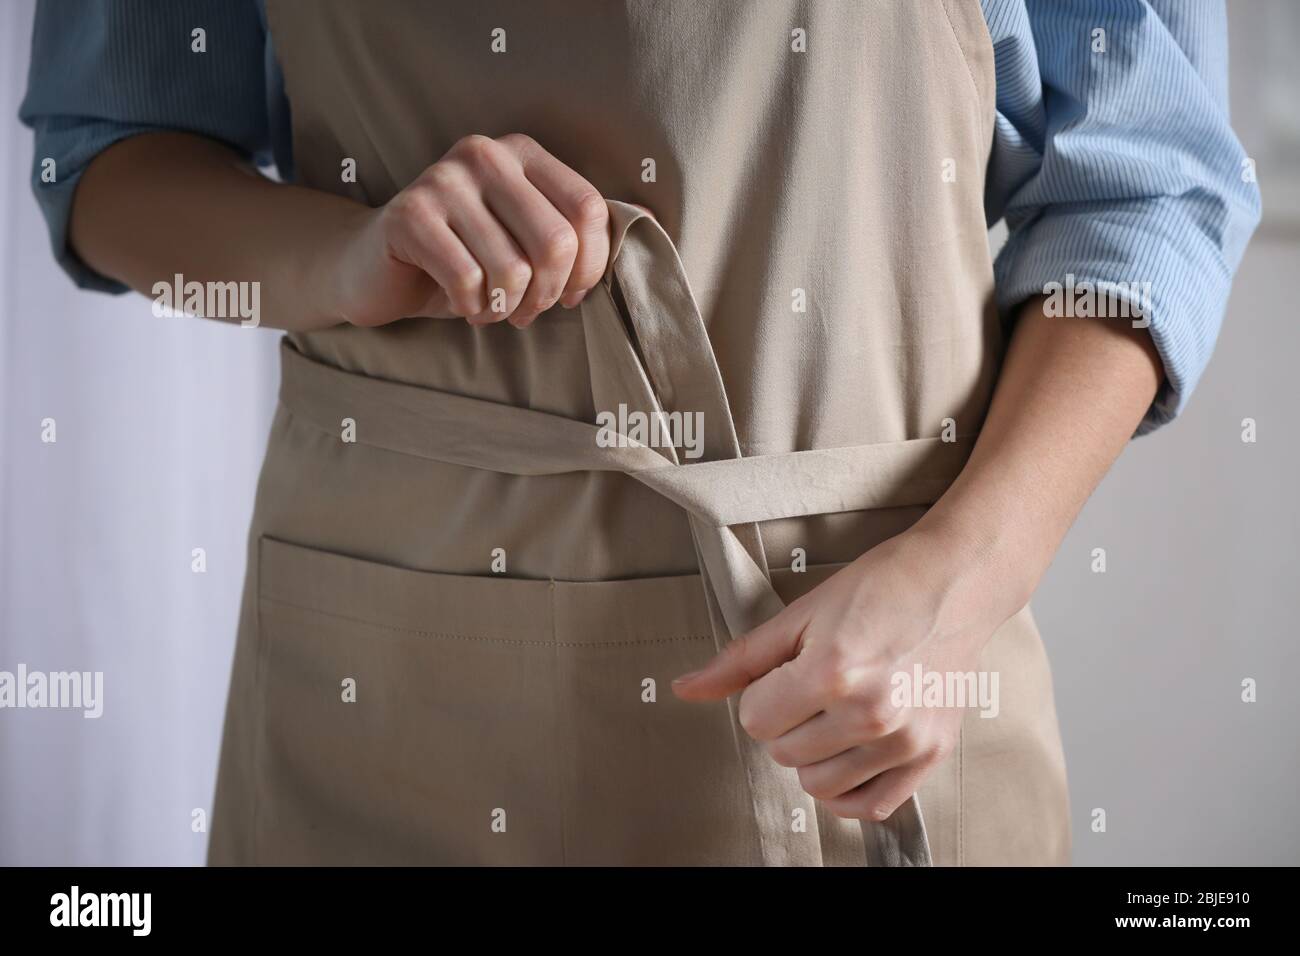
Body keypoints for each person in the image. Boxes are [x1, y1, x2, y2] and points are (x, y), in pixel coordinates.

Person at [21, 0, 1259, 866]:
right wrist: (345, 255)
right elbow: (112, 149)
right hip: (380, 699)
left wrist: (963, 581)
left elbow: (1148, 184)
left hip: (864, 672)